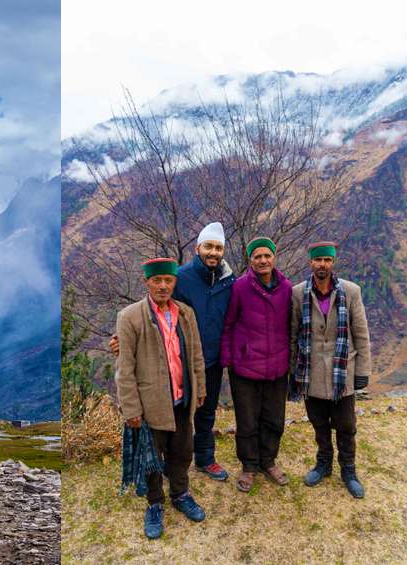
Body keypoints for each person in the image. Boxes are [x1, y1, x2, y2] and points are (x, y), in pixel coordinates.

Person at [111, 222, 234, 481]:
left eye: (218, 248)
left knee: (206, 412)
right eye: (208, 246)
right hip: (178, 361)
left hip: (210, 360)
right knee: (174, 412)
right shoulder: (181, 276)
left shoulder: (228, 280)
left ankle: (205, 458)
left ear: (223, 251)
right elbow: (154, 307)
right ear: (197, 248)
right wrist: (122, 340)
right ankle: (170, 463)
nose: (213, 252)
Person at [116, 258, 207, 539]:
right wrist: (131, 408)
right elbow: (125, 368)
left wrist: (200, 390)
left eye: (168, 280)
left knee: (182, 452)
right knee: (151, 459)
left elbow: (195, 356)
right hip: (151, 402)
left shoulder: (185, 313)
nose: (163, 286)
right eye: (157, 280)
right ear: (146, 282)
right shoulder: (130, 317)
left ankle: (180, 494)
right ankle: (155, 502)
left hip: (182, 399)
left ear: (174, 282)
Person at [289, 242, 371, 499]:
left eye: (327, 259)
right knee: (318, 422)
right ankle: (324, 463)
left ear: (333, 262)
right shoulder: (298, 293)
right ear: (310, 263)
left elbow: (361, 334)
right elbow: (293, 335)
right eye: (318, 260)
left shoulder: (350, 291)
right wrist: (293, 372)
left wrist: (363, 373)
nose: (322, 264)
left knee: (346, 424)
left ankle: (348, 468)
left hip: (342, 372)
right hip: (310, 372)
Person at [220, 237, 291, 492]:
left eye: (267, 255)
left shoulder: (286, 288)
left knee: (274, 419)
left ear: (274, 257)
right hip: (245, 368)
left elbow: (290, 327)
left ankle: (268, 462)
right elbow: (228, 325)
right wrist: (228, 361)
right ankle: (249, 466)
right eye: (257, 256)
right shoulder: (239, 287)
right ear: (250, 260)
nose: (263, 260)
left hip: (276, 368)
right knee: (247, 422)